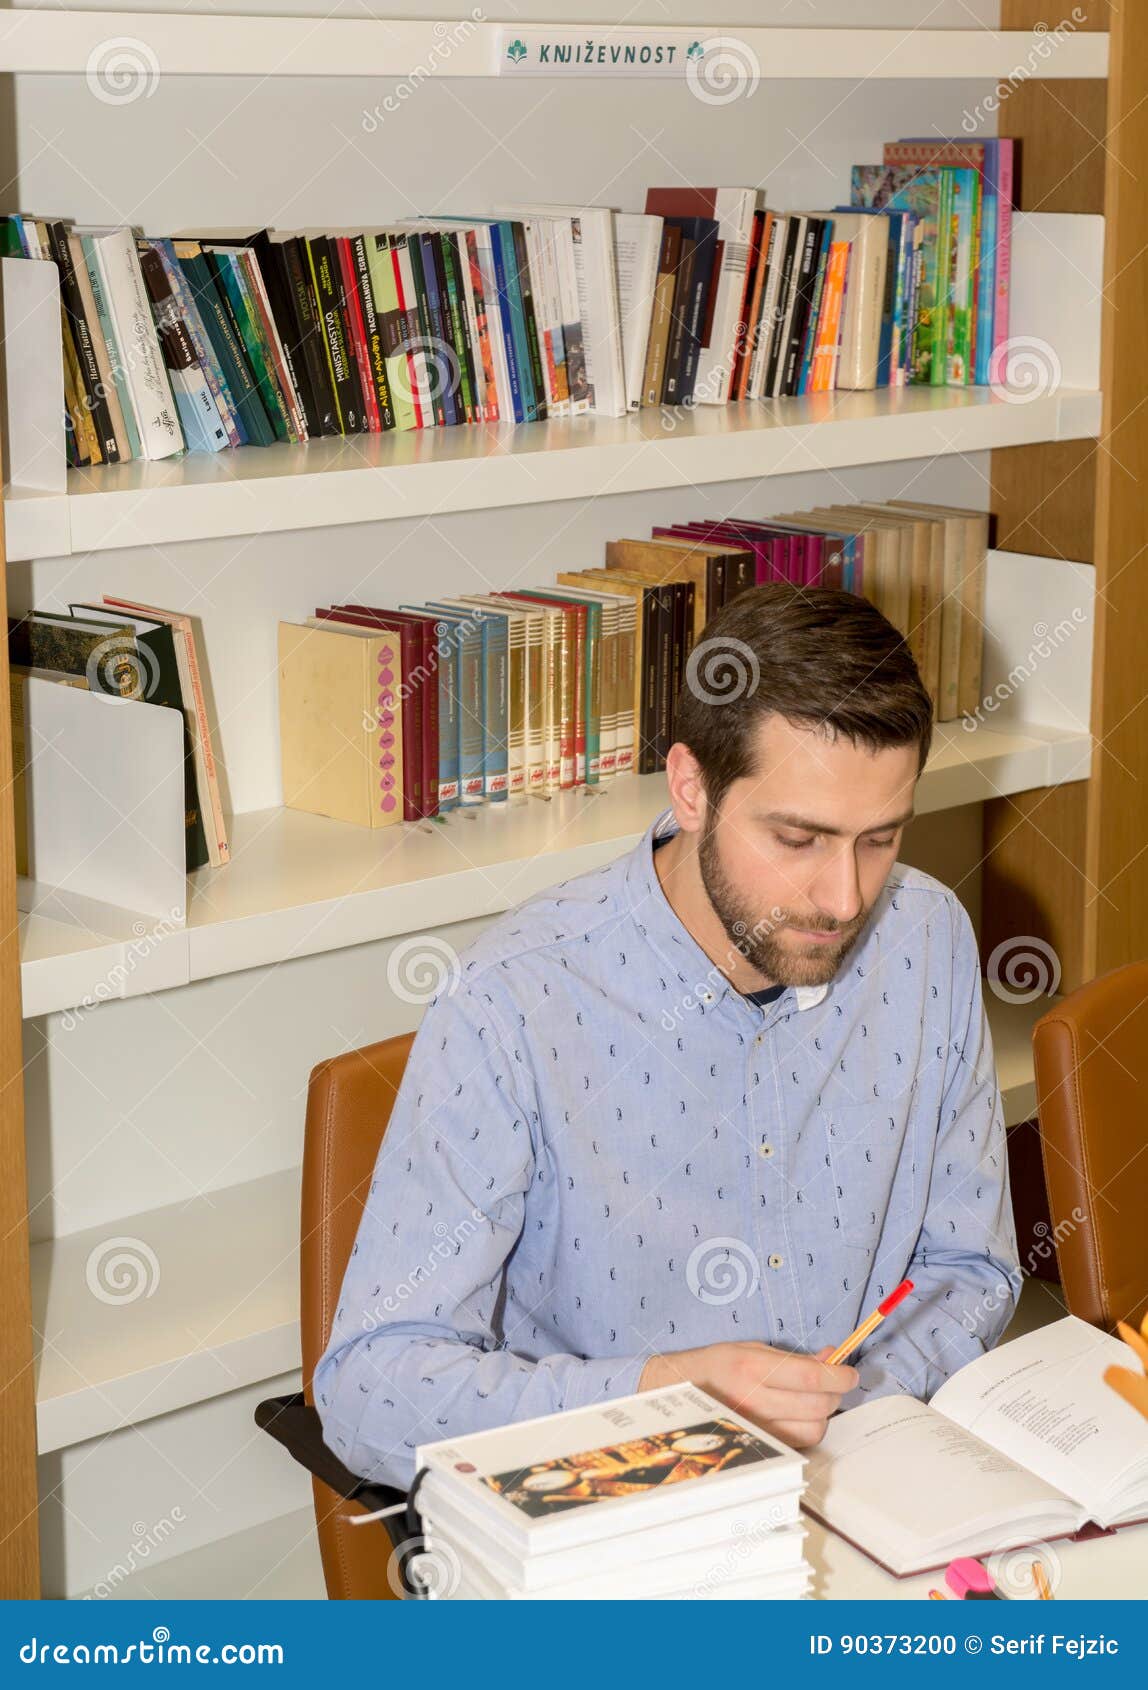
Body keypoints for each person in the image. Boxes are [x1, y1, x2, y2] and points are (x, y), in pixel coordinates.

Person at [315, 582, 1020, 1490]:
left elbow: (972, 1268)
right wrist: (661, 1396)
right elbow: (370, 1392)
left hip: (865, 1495)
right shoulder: (512, 1004)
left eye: (879, 839)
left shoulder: (927, 936)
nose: (846, 899)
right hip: (618, 1526)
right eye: (798, 839)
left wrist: (855, 1402)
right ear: (692, 788)